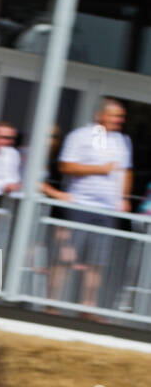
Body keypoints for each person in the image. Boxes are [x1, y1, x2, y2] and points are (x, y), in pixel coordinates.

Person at [58, 99, 134, 310]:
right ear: (101, 115)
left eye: (121, 117)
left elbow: (126, 171)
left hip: (107, 210)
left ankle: (88, 307)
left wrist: (124, 197)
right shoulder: (80, 136)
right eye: (115, 116)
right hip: (81, 206)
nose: (120, 120)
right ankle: (52, 305)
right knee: (65, 258)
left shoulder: (122, 140)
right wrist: (98, 169)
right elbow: (66, 165)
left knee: (97, 263)